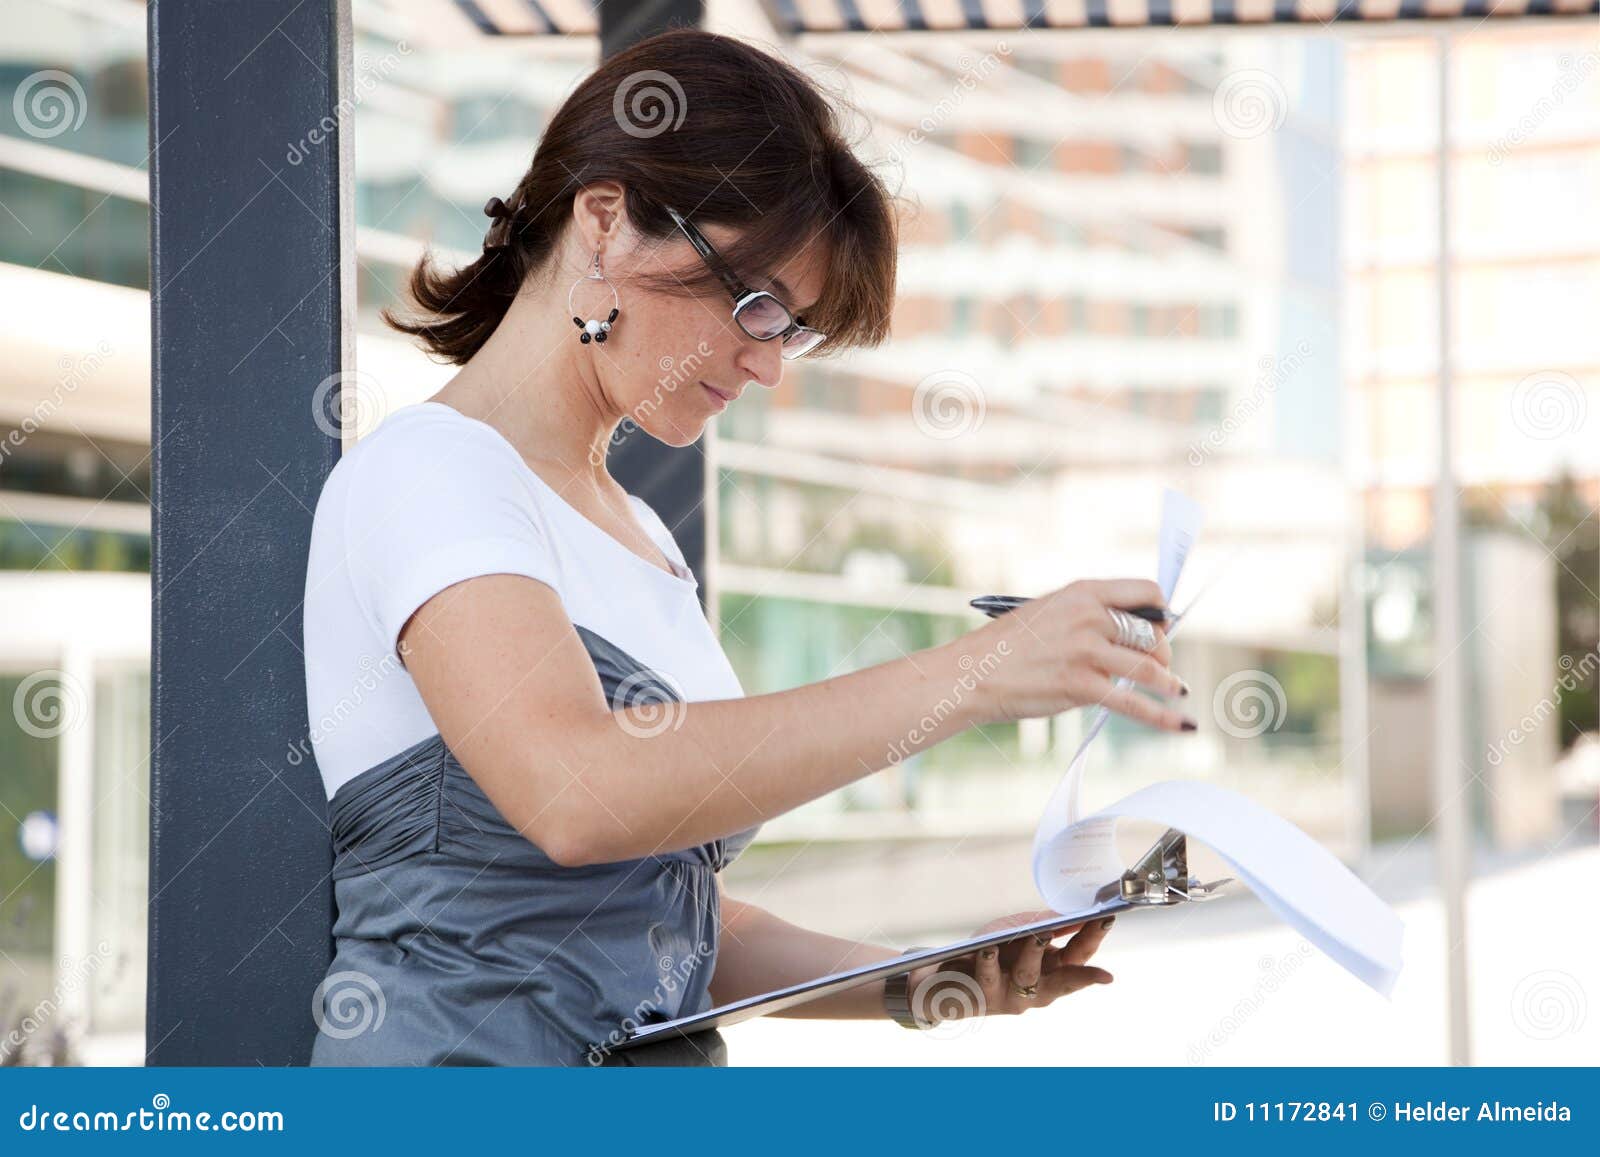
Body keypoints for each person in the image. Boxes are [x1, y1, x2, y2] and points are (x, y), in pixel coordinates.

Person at [302, 28, 1193, 1067]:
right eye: (756, 304)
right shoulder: (432, 470)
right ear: (605, 220)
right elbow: (571, 794)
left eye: (795, 331)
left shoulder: (637, 535)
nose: (769, 365)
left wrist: (929, 981)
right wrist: (980, 673)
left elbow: (676, 924)